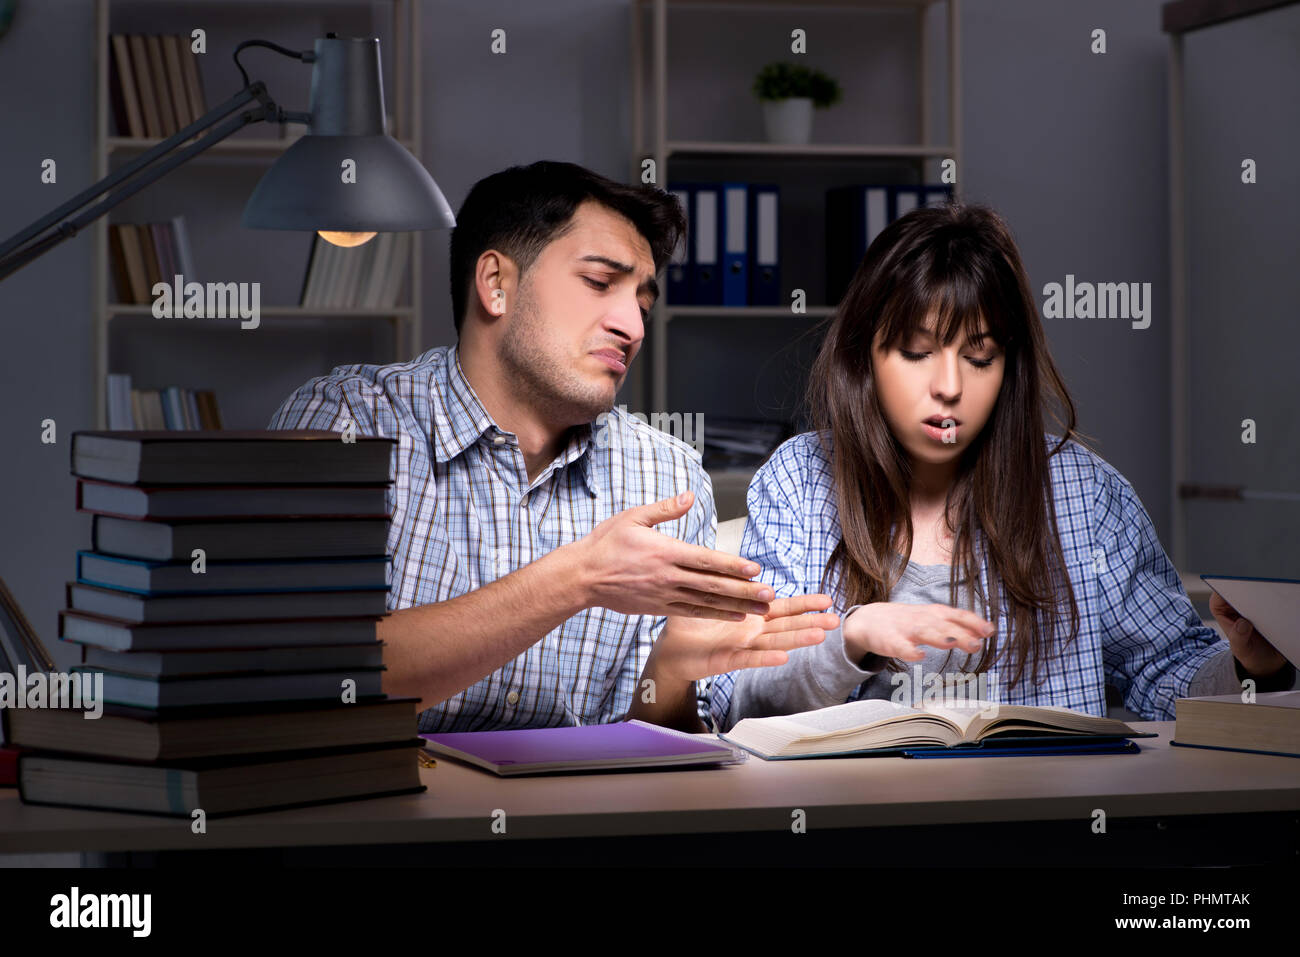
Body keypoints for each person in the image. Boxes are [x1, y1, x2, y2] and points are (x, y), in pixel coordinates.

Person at [635, 202, 1294, 734]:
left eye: (979, 356)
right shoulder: (799, 480)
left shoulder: (1084, 492)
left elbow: (1166, 676)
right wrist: (853, 637)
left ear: (1009, 368)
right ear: (866, 357)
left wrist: (1249, 662)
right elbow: (738, 698)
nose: (949, 386)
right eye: (917, 352)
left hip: (1042, 833)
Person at [267, 160, 837, 732]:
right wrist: (578, 578)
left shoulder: (668, 476)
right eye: (598, 283)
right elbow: (310, 667)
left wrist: (673, 667)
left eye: (643, 303)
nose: (633, 327)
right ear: (496, 284)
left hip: (575, 821)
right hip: (372, 814)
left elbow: (651, 748)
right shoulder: (350, 420)